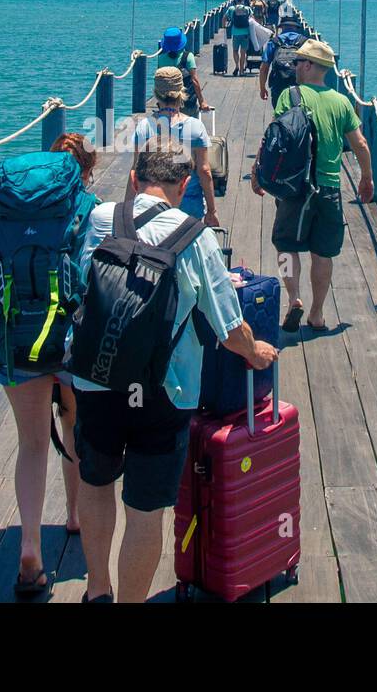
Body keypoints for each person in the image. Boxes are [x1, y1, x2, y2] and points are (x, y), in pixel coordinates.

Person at [71, 143, 278, 603]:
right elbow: (228, 329)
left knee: (96, 481)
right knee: (145, 512)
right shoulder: (195, 236)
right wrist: (257, 352)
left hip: (95, 377)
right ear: (184, 187)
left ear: (133, 179)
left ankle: (97, 590)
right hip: (164, 392)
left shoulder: (100, 219)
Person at [0, 132, 97, 597]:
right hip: (70, 342)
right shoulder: (86, 206)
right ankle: (74, 515)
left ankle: (30, 547)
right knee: (74, 429)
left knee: (30, 444)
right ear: (81, 172)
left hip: (17, 338)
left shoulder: (5, 211)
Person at [251, 39, 375, 333]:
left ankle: (294, 298)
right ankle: (317, 314)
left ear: (308, 66)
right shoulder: (342, 102)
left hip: (294, 188)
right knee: (323, 253)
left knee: (285, 245)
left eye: (297, 62)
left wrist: (257, 172)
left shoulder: (290, 96)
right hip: (329, 188)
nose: (293, 67)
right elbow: (360, 144)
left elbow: (273, 141)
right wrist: (366, 177)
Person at [130, 67, 219, 225]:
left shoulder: (144, 127)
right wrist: (212, 211)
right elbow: (204, 171)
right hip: (188, 210)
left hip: (150, 212)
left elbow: (136, 172)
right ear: (181, 92)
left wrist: (127, 211)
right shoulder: (195, 127)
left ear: (156, 93)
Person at [155, 27, 212, 116]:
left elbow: (159, 80)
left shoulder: (161, 59)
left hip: (166, 103)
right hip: (186, 103)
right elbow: (194, 81)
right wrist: (202, 102)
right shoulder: (188, 56)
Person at [259, 26, 307, 106]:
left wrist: (262, 88)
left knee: (279, 113)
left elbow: (264, 68)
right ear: (296, 28)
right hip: (298, 84)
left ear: (282, 27)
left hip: (278, 83)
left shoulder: (274, 42)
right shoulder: (304, 42)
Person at [226, 0, 252, 76]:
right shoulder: (247, 8)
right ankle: (241, 71)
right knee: (243, 52)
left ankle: (236, 66)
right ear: (243, 0)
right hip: (245, 33)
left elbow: (224, 18)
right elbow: (252, 19)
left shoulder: (231, 9)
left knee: (235, 50)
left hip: (235, 33)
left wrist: (224, 27)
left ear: (235, 0)